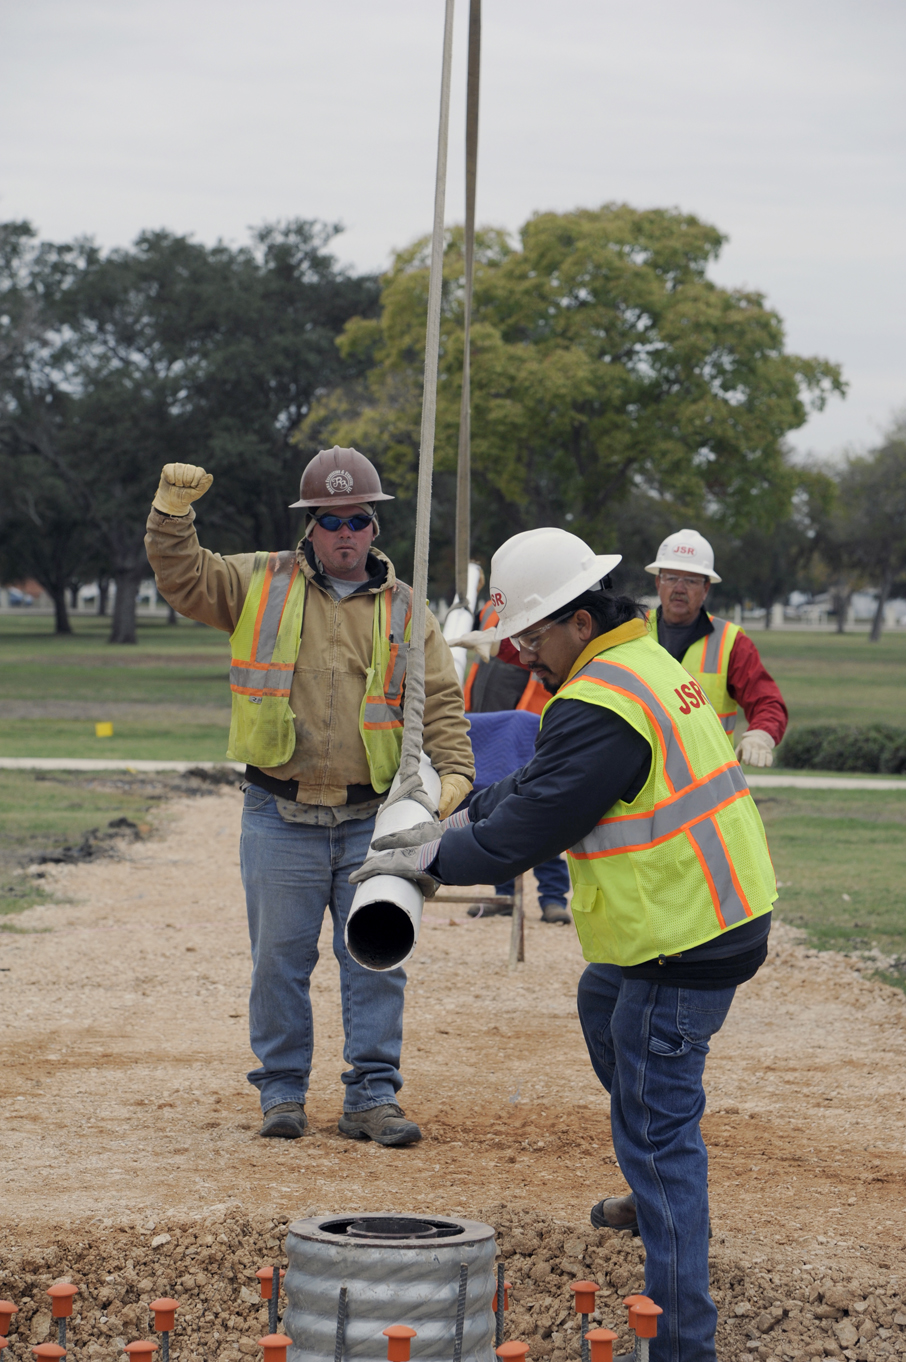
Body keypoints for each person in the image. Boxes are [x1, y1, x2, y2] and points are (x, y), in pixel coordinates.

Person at [353, 527, 777, 1362]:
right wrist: (460, 810)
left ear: (580, 621)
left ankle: (682, 1338)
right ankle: (652, 1189)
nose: (520, 653)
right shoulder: (635, 661)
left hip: (688, 939)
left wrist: (429, 857)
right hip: (709, 916)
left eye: (532, 633)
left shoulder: (600, 701)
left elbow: (531, 832)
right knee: (601, 1001)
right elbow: (540, 781)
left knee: (661, 1126)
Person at [144, 446, 473, 1145]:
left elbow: (442, 702)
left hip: (373, 818)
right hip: (278, 813)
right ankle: (283, 1094)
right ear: (310, 527)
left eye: (358, 520)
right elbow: (183, 576)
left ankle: (372, 1098)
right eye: (331, 520)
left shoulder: (408, 609)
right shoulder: (258, 582)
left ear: (375, 528)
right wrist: (172, 517)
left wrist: (456, 774)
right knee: (279, 963)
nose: (346, 534)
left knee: (378, 961)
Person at [460, 600, 571, 925]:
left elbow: (539, 654)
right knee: (498, 815)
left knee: (543, 816)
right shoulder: (489, 608)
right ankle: (503, 894)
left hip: (532, 728)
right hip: (493, 728)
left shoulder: (549, 603)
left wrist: (497, 644)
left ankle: (553, 898)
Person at [645, 529, 787, 767]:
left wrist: (760, 735)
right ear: (658, 582)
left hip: (705, 785)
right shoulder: (630, 632)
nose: (679, 588)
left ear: (706, 588)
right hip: (641, 785)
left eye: (690, 580)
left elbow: (768, 703)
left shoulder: (731, 643)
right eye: (671, 577)